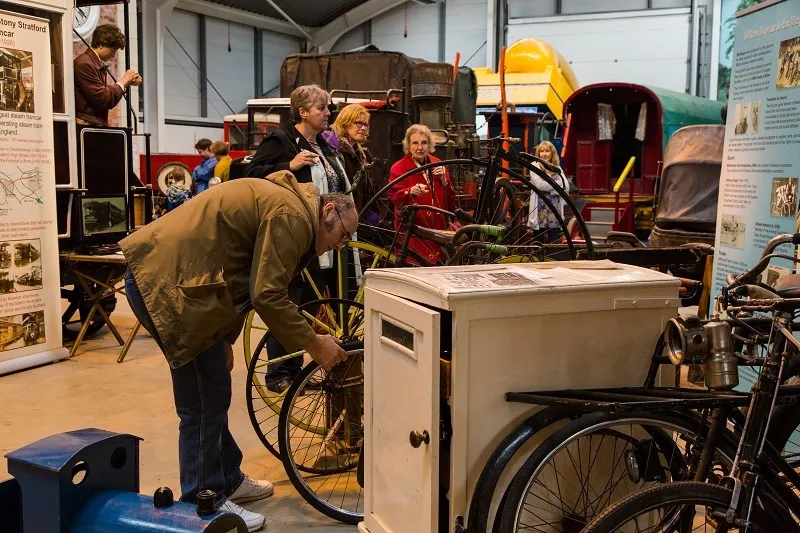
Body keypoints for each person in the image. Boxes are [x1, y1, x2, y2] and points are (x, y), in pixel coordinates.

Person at [120, 172, 357, 532]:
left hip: (185, 283)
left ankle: (226, 478)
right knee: (202, 399)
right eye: (344, 235)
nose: (341, 245)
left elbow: (239, 269)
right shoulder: (292, 216)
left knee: (213, 386)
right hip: (165, 283)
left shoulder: (291, 208)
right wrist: (314, 343)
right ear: (328, 213)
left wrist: (226, 338)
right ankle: (206, 499)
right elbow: (267, 294)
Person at [244, 84, 351, 393]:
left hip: (323, 240)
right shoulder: (282, 141)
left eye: (327, 108)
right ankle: (280, 373)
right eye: (322, 108)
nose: (328, 113)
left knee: (310, 305)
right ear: (303, 112)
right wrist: (287, 166)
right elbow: (251, 176)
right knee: (291, 302)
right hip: (293, 236)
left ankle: (297, 367)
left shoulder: (324, 146)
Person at [387, 124, 456, 265]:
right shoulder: (398, 168)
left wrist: (444, 181)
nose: (420, 147)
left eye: (424, 143)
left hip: (438, 235)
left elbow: (451, 204)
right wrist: (410, 192)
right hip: (413, 237)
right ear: (408, 145)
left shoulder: (437, 164)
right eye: (415, 143)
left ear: (429, 144)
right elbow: (394, 197)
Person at [74, 24, 141, 127]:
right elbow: (104, 99)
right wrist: (123, 82)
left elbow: (103, 94)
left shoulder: (91, 62)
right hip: (88, 126)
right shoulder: (85, 64)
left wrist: (126, 83)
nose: (114, 55)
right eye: (113, 50)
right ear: (101, 44)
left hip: (92, 125)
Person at [326, 104, 378, 224]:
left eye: (365, 124)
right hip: (338, 216)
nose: (363, 128)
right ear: (345, 123)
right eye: (358, 123)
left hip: (356, 217)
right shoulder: (334, 148)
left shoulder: (358, 154)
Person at [527, 141, 569, 243]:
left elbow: (565, 186)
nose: (544, 154)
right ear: (538, 153)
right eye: (542, 151)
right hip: (539, 206)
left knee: (553, 237)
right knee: (538, 238)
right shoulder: (534, 166)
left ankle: (552, 257)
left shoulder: (557, 167)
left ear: (552, 153)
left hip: (555, 206)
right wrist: (556, 184)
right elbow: (540, 185)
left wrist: (549, 186)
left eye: (547, 151)